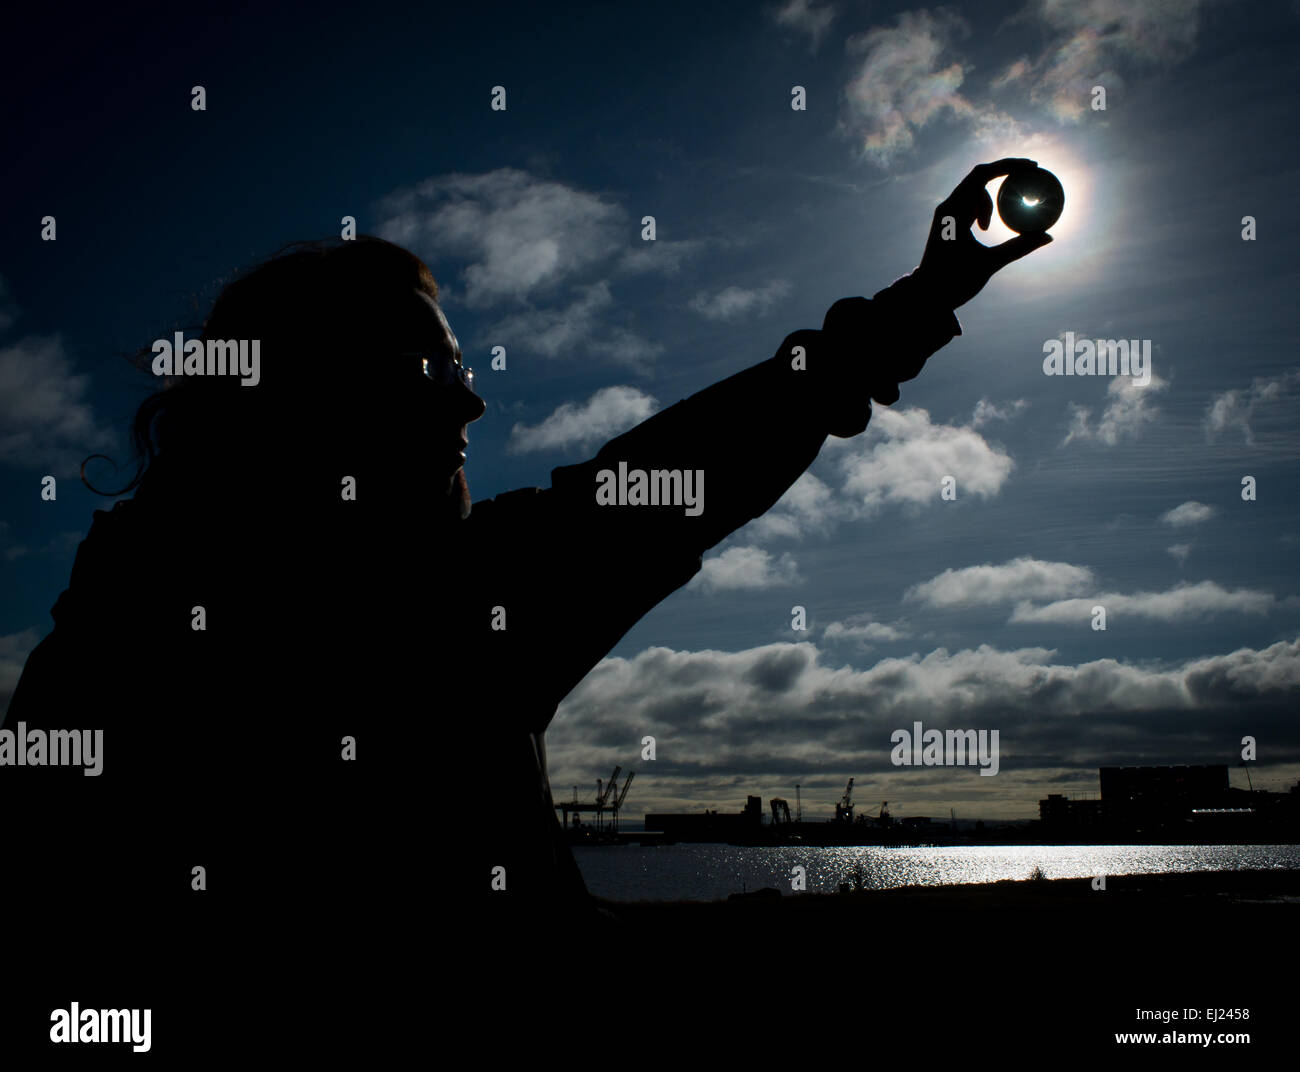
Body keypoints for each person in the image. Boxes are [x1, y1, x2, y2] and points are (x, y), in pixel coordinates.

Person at [3, 159, 1051, 947]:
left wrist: (921, 299)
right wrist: (921, 299)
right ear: (306, 392)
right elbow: (670, 483)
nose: (472, 396)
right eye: (424, 367)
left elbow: (661, 484)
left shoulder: (108, 634)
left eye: (456, 362)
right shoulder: (433, 610)